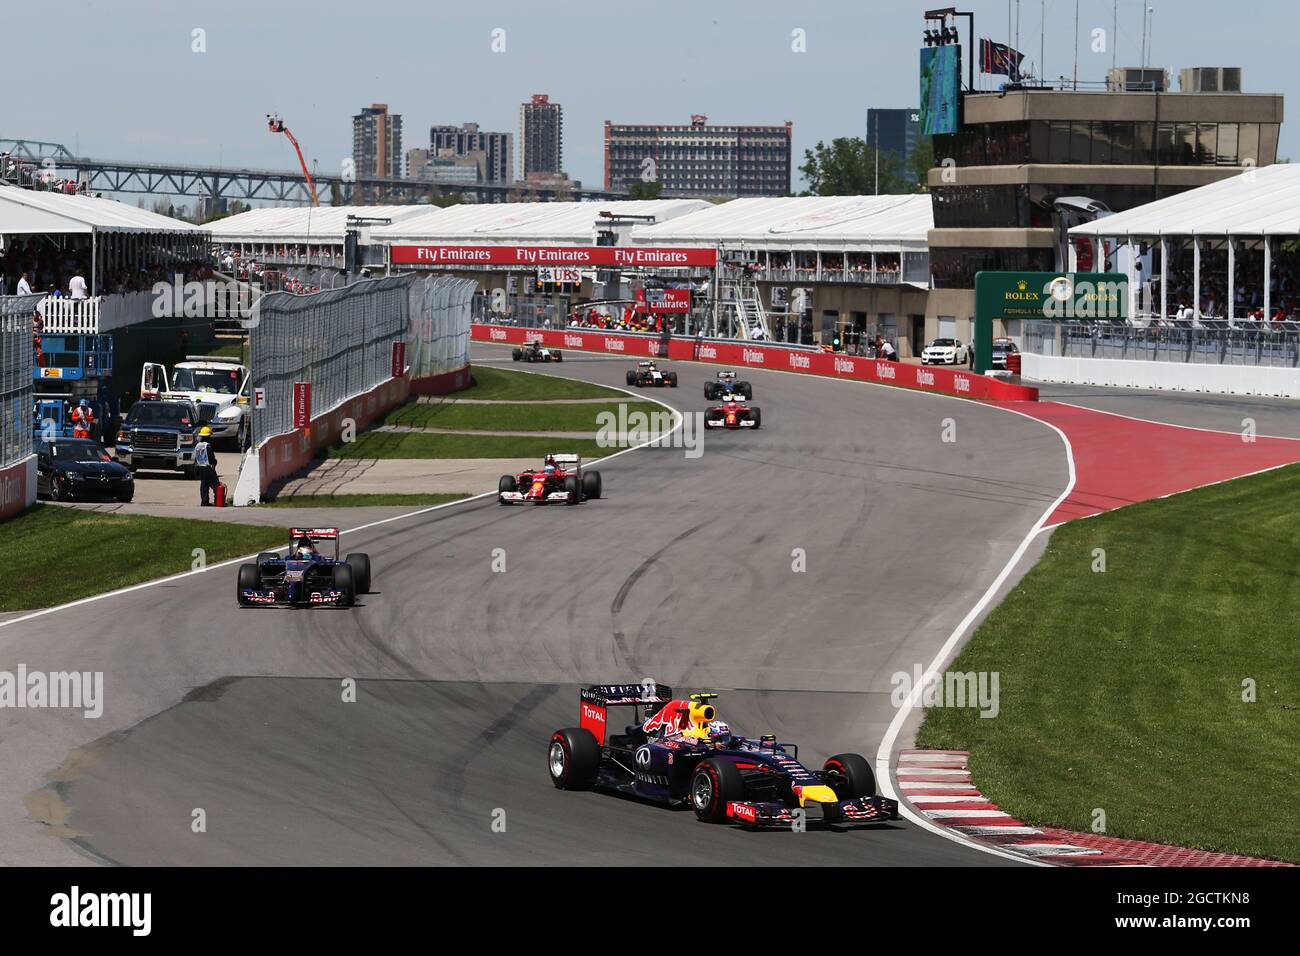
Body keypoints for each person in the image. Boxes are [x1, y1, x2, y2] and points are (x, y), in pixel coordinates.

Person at [194, 425, 219, 506]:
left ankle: (204, 501)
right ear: (208, 436)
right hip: (208, 468)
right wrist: (215, 462)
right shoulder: (207, 445)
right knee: (215, 485)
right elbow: (211, 456)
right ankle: (217, 501)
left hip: (200, 467)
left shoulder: (197, 446)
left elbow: (196, 457)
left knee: (204, 485)